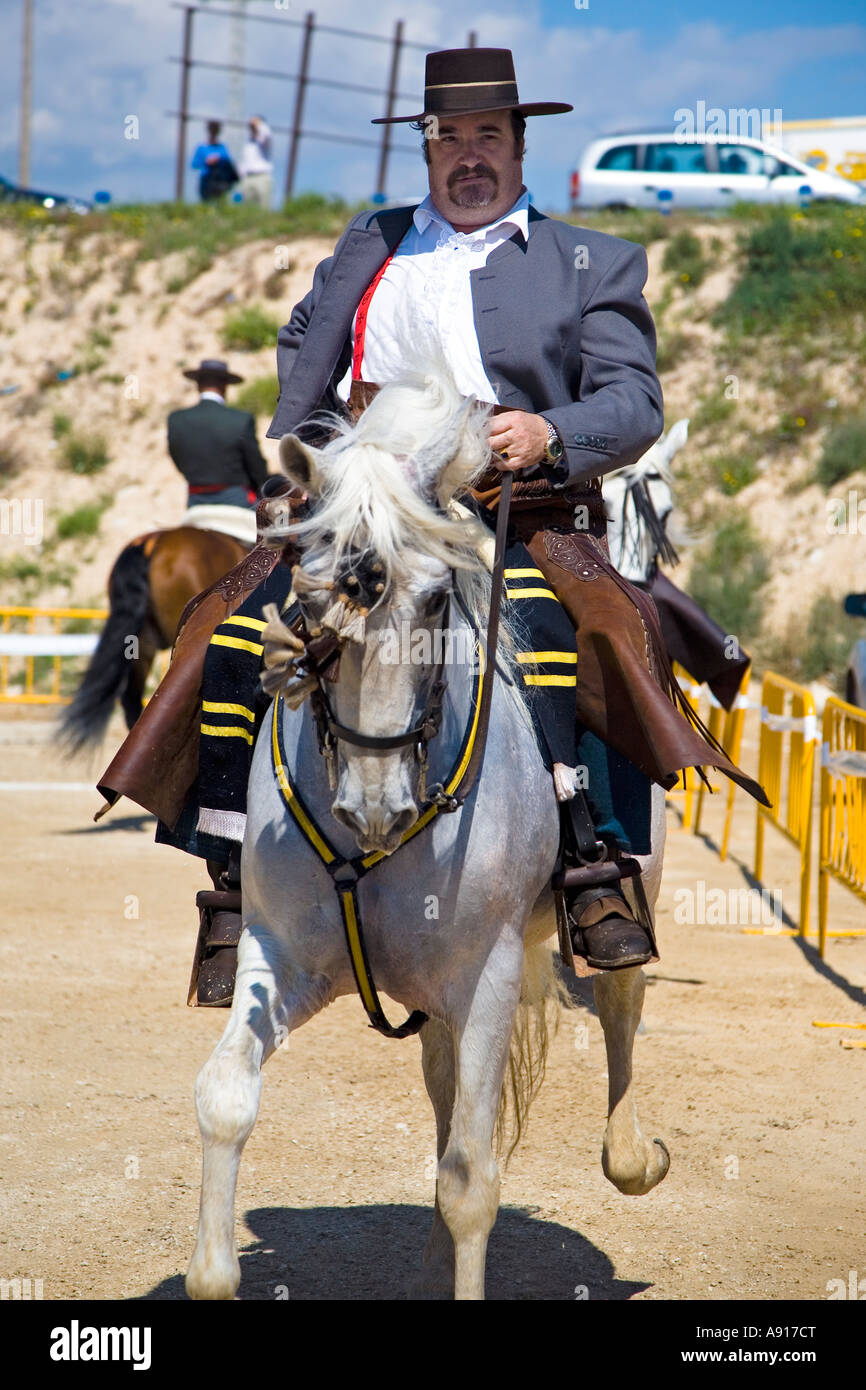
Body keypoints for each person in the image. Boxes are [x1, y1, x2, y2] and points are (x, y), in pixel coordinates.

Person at [95, 47, 766, 1006]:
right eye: (448, 136)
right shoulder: (371, 242)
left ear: (521, 143)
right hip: (375, 510)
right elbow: (301, 354)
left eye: (487, 134)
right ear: (426, 146)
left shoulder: (593, 262)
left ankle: (594, 870)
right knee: (230, 628)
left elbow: (635, 405)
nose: (468, 156)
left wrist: (549, 430)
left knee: (601, 635)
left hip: (520, 514)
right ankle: (234, 874)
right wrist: (332, 439)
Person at [168, 359, 270, 508]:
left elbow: (176, 456)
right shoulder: (241, 419)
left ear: (198, 385)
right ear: (224, 386)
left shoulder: (177, 419)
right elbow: (256, 466)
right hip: (237, 498)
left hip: (196, 499)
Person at [191, 120, 239, 202]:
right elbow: (194, 164)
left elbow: (228, 163)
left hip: (220, 182)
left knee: (220, 202)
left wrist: (218, 159)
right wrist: (206, 162)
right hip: (206, 181)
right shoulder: (201, 147)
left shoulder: (222, 147)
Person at [238, 115, 274, 207]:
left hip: (262, 176)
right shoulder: (248, 142)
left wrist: (259, 125)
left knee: (264, 207)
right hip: (248, 177)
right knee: (247, 208)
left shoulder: (264, 139)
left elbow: (266, 135)